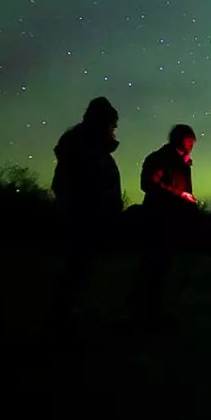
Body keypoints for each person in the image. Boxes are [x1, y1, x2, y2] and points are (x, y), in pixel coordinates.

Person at [44, 97, 123, 340]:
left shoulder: (88, 148)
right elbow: (69, 185)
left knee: (79, 272)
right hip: (84, 220)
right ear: (102, 123)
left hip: (91, 219)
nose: (115, 128)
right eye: (112, 123)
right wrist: (97, 207)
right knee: (76, 271)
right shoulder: (83, 150)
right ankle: (63, 325)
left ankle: (67, 319)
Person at [128, 124, 198, 329]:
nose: (192, 145)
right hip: (159, 220)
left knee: (161, 269)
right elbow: (149, 184)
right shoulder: (160, 158)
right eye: (189, 141)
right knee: (153, 266)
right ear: (179, 139)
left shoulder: (180, 162)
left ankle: (152, 312)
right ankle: (143, 313)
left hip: (172, 221)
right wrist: (180, 195)